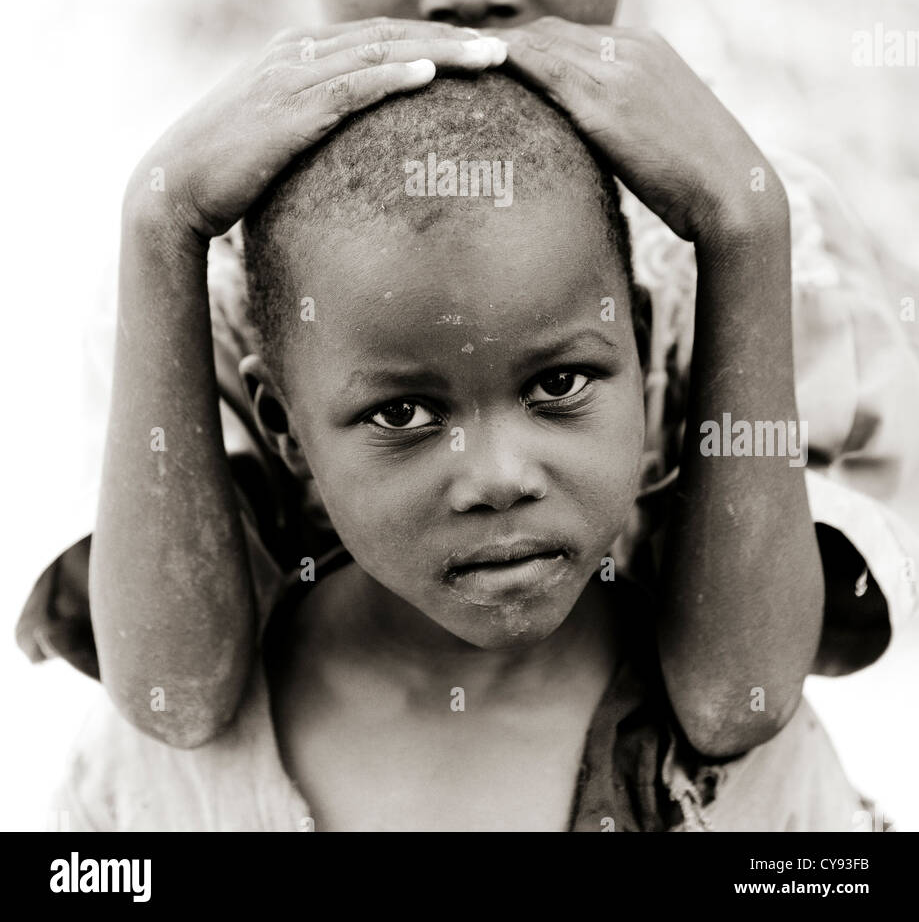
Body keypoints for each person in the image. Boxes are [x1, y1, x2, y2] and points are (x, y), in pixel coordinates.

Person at [20, 0, 918, 760]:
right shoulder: (217, 254)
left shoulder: (747, 220)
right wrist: (161, 225)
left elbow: (731, 702)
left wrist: (743, 233)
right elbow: (181, 697)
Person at [51, 72, 874, 832]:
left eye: (557, 385)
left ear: (644, 341)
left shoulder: (742, 779)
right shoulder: (163, 788)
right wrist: (159, 220)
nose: (498, 479)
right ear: (284, 429)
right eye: (402, 411)